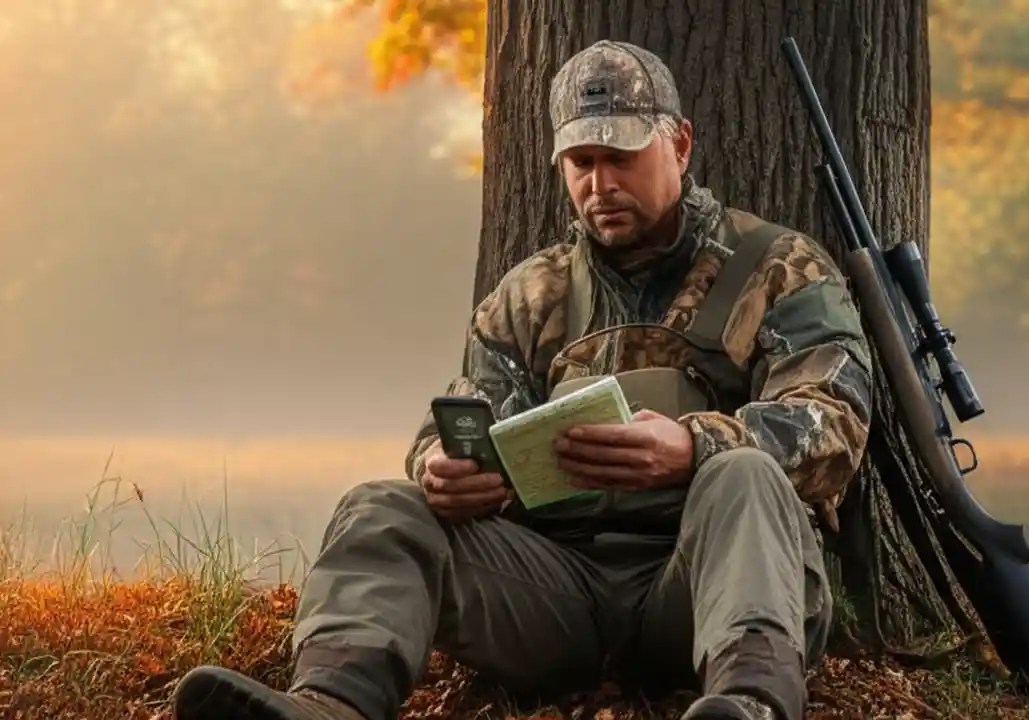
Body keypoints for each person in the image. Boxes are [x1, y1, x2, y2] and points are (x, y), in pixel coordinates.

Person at [172, 39, 873, 720]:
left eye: (621, 158)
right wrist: (442, 468)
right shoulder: (531, 294)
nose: (600, 185)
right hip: (556, 594)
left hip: (701, 583)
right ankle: (329, 701)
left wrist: (694, 449)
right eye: (581, 163)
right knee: (382, 505)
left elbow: (835, 421)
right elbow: (461, 416)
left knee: (743, 476)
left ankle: (750, 702)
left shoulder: (778, 268)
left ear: (680, 145)